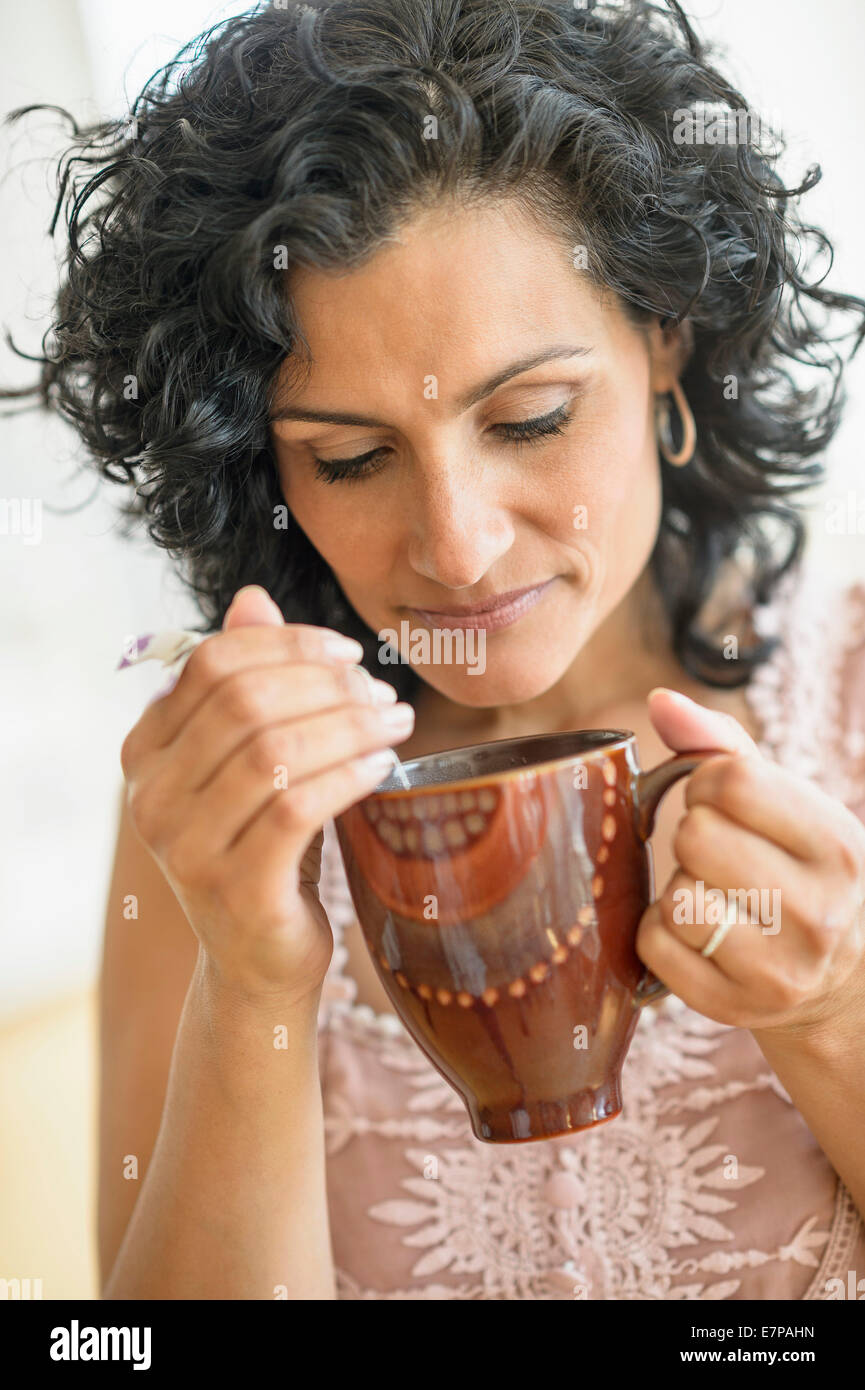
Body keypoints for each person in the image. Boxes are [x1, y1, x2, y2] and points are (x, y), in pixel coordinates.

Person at [6, 0, 865, 1300]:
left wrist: (835, 1011)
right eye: (349, 457)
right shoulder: (226, 801)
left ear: (665, 338)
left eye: (529, 417)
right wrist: (252, 987)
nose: (455, 549)